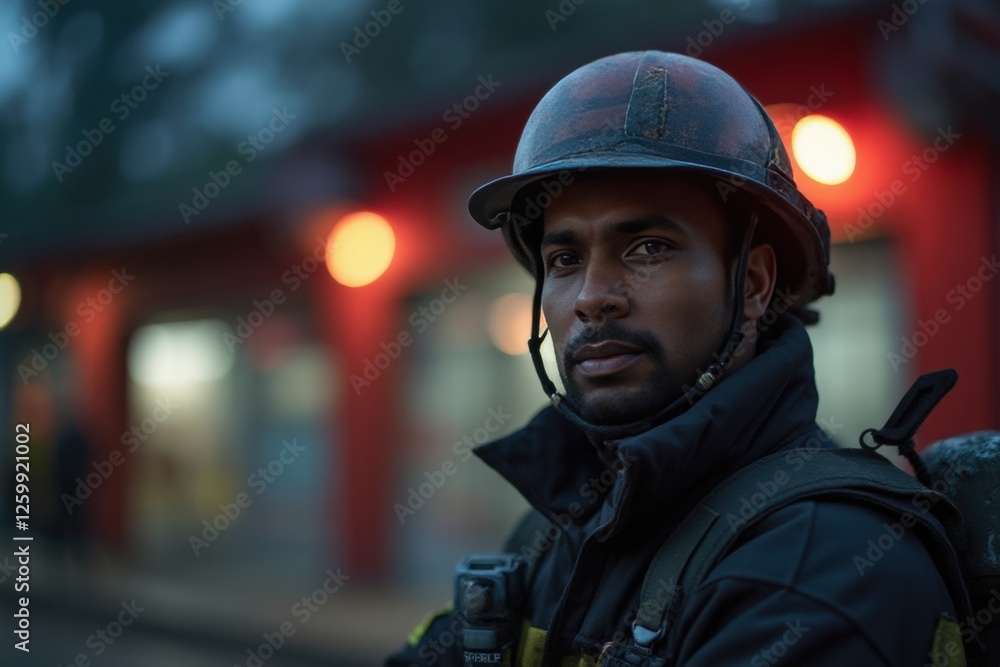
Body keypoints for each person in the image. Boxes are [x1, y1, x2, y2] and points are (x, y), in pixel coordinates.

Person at [386, 51, 964, 666]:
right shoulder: (558, 524)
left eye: (648, 247)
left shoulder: (824, 567)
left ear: (754, 285)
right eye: (564, 259)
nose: (591, 298)